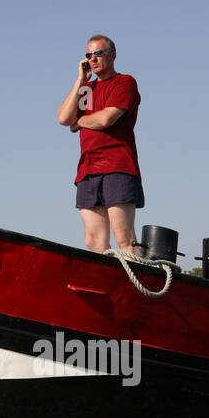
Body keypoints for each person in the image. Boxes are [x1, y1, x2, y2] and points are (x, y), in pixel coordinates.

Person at [56, 34, 143, 256]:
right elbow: (64, 119)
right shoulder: (86, 90)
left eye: (98, 54)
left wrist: (80, 122)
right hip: (87, 169)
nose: (93, 59)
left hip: (118, 165)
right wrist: (79, 82)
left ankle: (138, 285)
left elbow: (106, 119)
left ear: (112, 56)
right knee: (93, 241)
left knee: (124, 237)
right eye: (89, 55)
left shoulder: (125, 82)